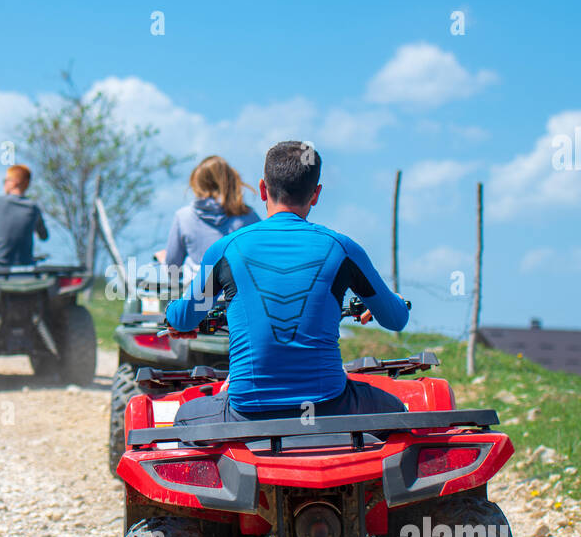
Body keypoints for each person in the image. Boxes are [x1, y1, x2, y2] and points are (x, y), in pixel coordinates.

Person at [165, 141, 410, 426]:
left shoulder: (226, 250)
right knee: (397, 410)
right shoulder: (343, 249)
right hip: (330, 406)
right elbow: (395, 319)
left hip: (246, 412)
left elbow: (183, 319)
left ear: (262, 189)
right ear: (316, 194)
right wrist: (393, 300)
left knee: (183, 416)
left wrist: (172, 315)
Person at [163, 156, 259, 287]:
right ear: (230, 181)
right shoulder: (248, 217)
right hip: (238, 298)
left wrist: (164, 258)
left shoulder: (183, 217)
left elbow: (173, 272)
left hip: (198, 299)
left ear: (198, 183)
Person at [0, 164, 48, 267]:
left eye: (6, 180)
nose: (4, 184)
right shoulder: (33, 207)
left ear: (15, 181)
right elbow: (44, 236)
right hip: (25, 264)